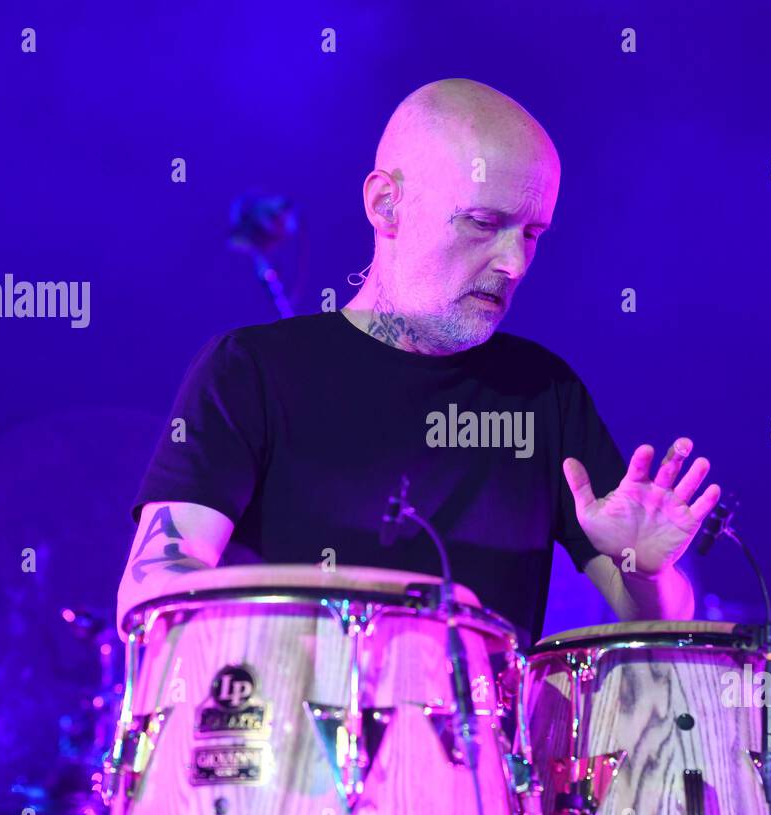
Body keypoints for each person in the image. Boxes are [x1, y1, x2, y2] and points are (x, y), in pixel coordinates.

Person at [116, 78, 720, 647]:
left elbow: (658, 623)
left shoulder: (544, 393)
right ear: (387, 206)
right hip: (290, 742)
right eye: (485, 223)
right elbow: (153, 588)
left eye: (533, 234)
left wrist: (642, 568)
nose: (515, 262)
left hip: (485, 753)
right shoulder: (249, 369)